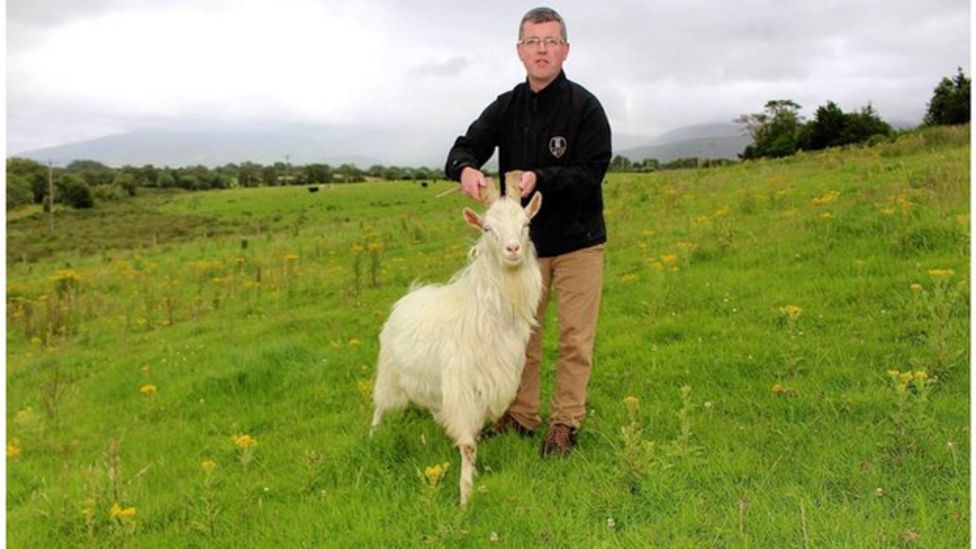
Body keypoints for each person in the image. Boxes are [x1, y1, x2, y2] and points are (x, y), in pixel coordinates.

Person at [444, 7, 611, 457]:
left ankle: (565, 422)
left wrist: (542, 178)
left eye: (551, 41)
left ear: (565, 50)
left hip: (579, 242)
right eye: (533, 42)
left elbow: (592, 173)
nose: (542, 50)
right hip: (520, 249)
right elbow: (464, 146)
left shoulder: (585, 107)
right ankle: (521, 415)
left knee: (575, 338)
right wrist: (465, 169)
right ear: (520, 50)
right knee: (521, 335)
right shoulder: (506, 107)